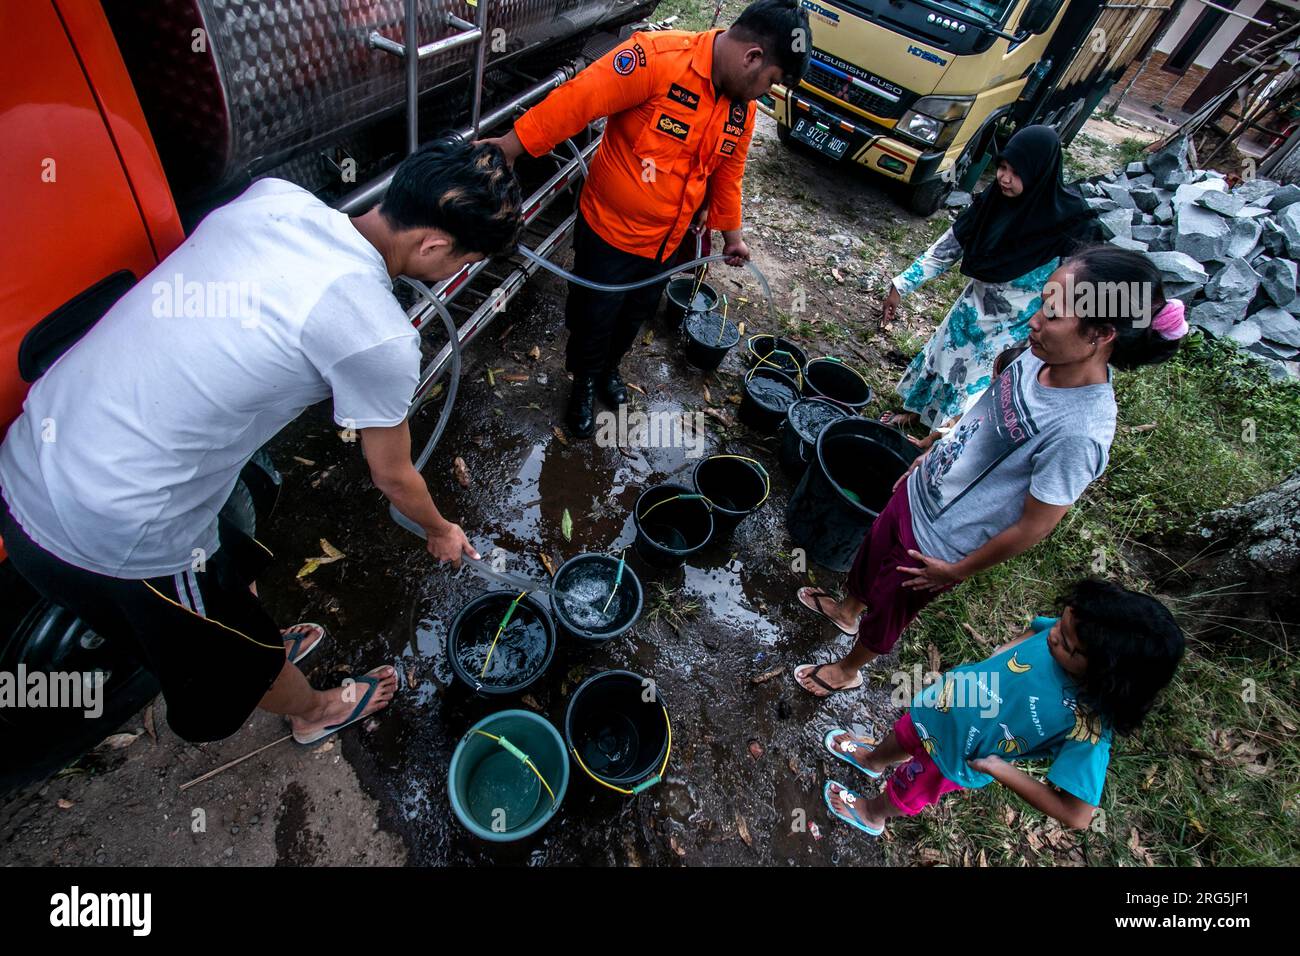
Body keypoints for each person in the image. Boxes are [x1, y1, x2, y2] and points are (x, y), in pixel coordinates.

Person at [0, 139, 523, 745]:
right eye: (466, 259)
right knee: (230, 657)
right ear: (434, 244)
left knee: (227, 560)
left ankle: (259, 640)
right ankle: (313, 709)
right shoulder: (376, 335)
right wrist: (439, 530)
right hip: (107, 522)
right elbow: (394, 476)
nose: (457, 272)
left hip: (41, 444)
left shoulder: (273, 199)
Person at [794, 245, 1188, 698]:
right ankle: (846, 611)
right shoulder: (1041, 355)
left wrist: (955, 569)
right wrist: (935, 449)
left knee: (889, 606)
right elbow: (984, 411)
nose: (1036, 320)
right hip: (922, 488)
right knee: (869, 557)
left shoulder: (1081, 431)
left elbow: (1033, 526)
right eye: (1043, 303)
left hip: (941, 544)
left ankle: (849, 668)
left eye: (1054, 314)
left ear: (1100, 334)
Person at [481, 0, 810, 437]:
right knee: (593, 318)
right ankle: (582, 382)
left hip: (665, 243)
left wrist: (733, 236)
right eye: (769, 82)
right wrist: (509, 147)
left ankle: (608, 371)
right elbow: (577, 101)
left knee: (634, 313)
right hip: (609, 234)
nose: (763, 95)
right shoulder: (654, 59)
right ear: (752, 57)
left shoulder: (740, 109)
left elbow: (728, 174)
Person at [819, 579, 1185, 836]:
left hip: (958, 757)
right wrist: (1005, 650)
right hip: (944, 703)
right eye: (1063, 622)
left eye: (1066, 643)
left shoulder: (1087, 725)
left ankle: (871, 813)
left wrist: (999, 769)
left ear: (1106, 675)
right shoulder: (1066, 630)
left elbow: (1077, 815)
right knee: (904, 731)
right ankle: (872, 760)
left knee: (909, 787)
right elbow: (1036, 629)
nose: (1054, 634)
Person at [879, 125, 1099, 431]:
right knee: (943, 357)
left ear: (1040, 172)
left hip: (1013, 326)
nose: (1004, 178)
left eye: (1016, 172)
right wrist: (901, 285)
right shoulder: (993, 203)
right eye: (1003, 167)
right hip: (972, 306)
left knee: (976, 381)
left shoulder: (1072, 224)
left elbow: (1083, 286)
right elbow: (949, 247)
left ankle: (943, 438)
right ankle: (918, 412)